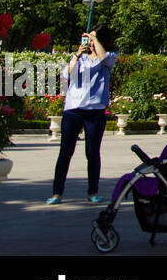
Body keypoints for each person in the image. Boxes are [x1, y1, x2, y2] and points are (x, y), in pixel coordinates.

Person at [48, 27, 117, 204]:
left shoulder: (107, 58)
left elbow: (106, 59)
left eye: (93, 38)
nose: (89, 42)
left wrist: (96, 40)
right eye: (88, 38)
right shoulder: (81, 58)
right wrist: (77, 54)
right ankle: (57, 193)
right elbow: (67, 74)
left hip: (95, 111)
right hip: (74, 109)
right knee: (65, 151)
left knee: (92, 152)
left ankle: (93, 192)